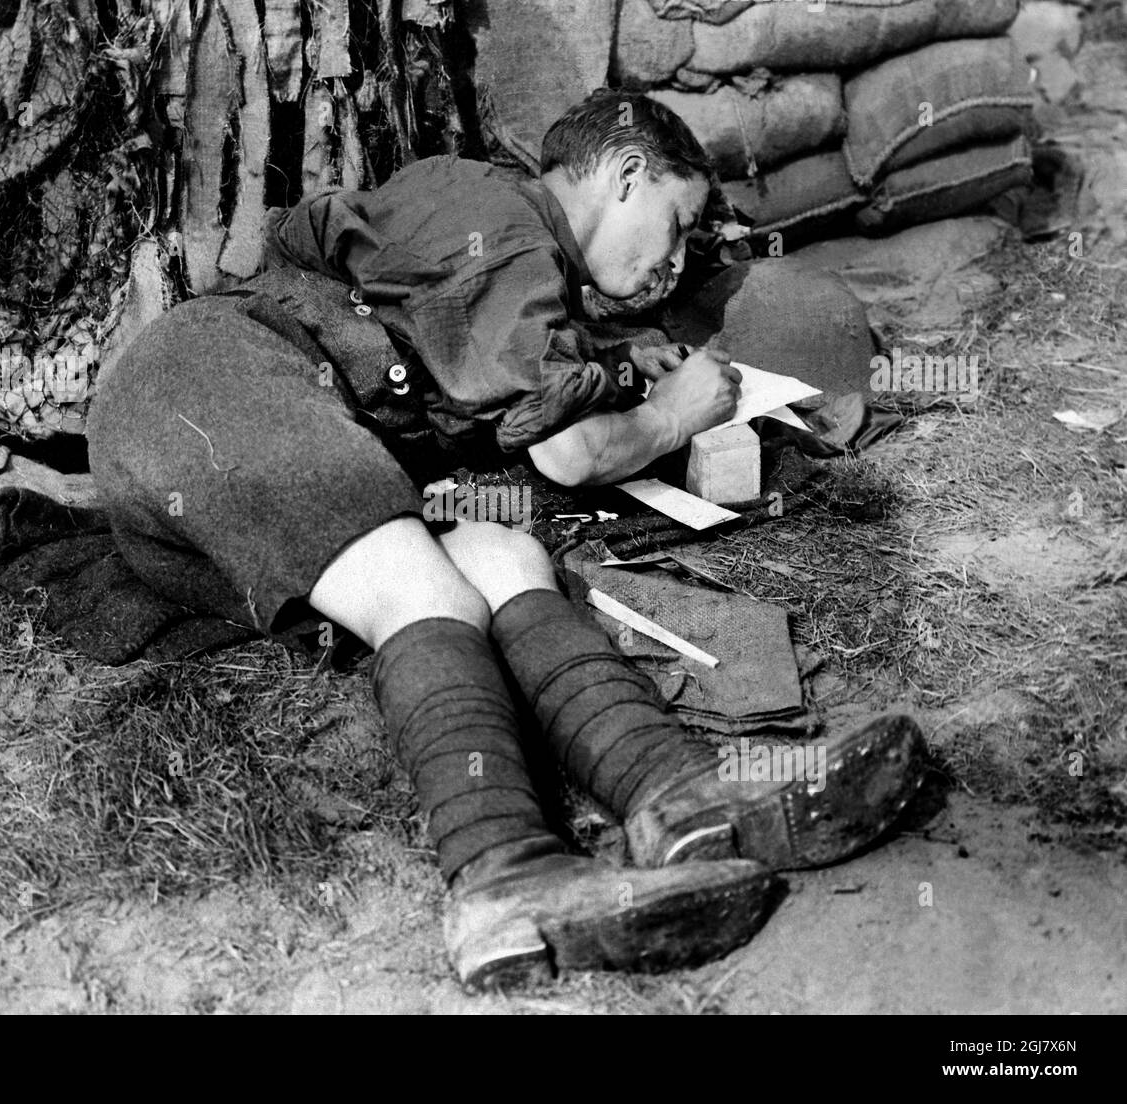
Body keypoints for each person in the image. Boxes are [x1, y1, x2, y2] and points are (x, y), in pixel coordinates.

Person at [88, 90, 926, 988]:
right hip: (212, 381)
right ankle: (505, 878)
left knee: (504, 559)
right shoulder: (509, 225)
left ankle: (681, 794)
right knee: (426, 590)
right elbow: (569, 454)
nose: (676, 265)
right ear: (626, 173)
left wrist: (604, 355)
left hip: (229, 444)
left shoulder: (504, 233)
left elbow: (469, 345)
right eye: (676, 226)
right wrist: (678, 416)